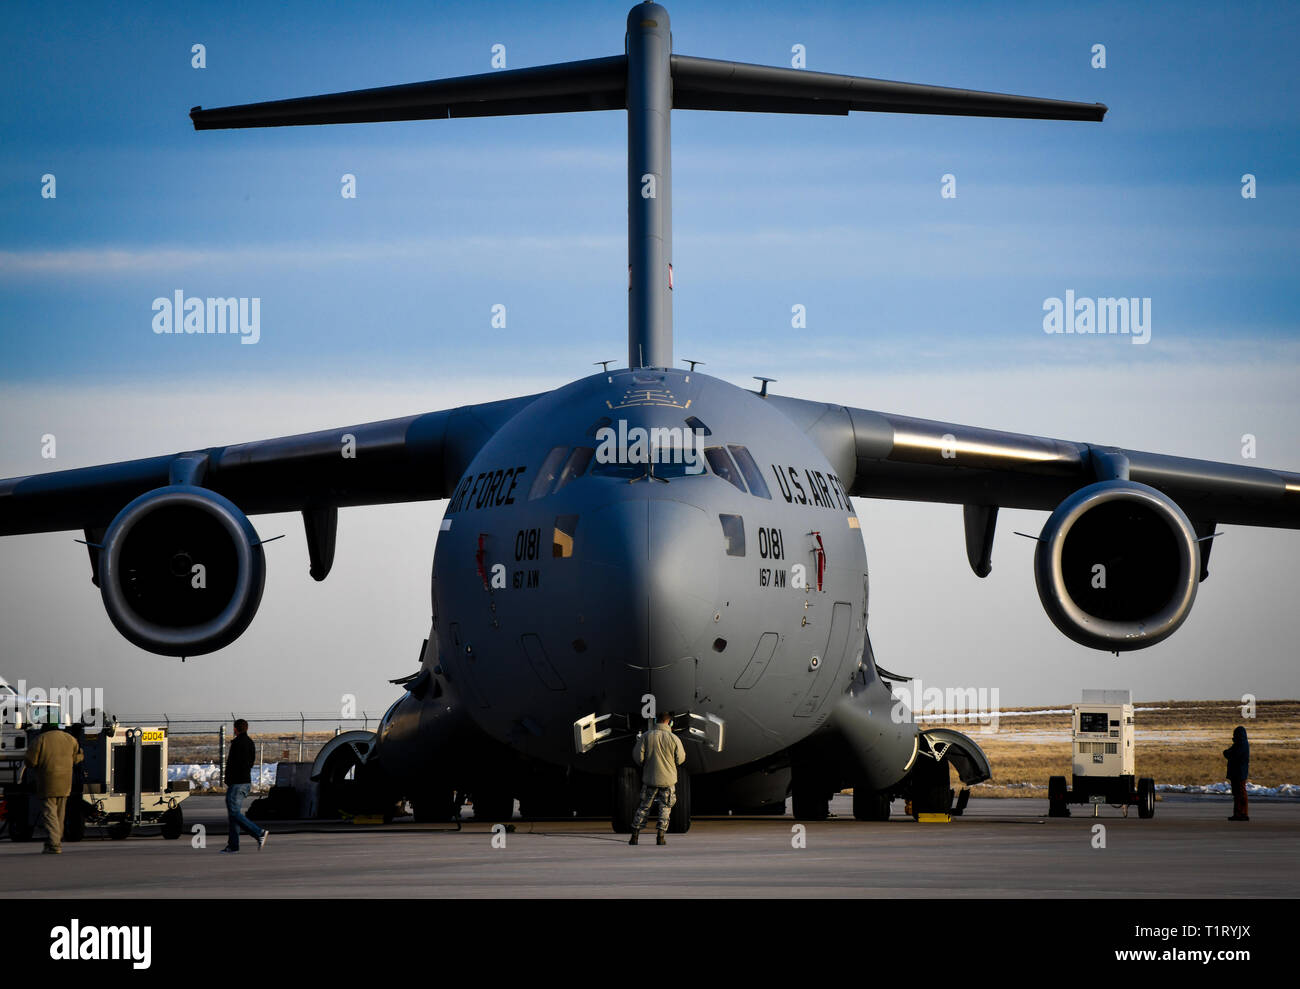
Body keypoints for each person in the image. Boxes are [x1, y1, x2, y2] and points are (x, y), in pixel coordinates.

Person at [23, 723, 84, 854]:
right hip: (66, 782)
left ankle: (54, 844)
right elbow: (77, 758)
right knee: (60, 814)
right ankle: (55, 841)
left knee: (49, 813)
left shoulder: (40, 739)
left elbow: (30, 761)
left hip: (47, 781)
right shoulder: (70, 739)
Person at [629, 711, 686, 846]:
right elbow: (681, 759)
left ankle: (635, 836)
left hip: (650, 778)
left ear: (655, 721)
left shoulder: (645, 737)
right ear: (670, 723)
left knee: (643, 807)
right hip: (668, 780)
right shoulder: (674, 739)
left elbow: (638, 757)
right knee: (665, 808)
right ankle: (660, 837)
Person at [222, 718, 269, 852]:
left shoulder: (237, 743)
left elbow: (233, 764)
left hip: (237, 783)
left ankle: (258, 833)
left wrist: (229, 778)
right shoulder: (250, 743)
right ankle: (233, 845)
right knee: (234, 814)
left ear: (236, 729)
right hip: (245, 781)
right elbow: (250, 762)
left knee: (234, 813)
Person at [1223, 725, 1250, 822]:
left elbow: (1232, 755)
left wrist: (1227, 753)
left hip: (1239, 773)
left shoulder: (1241, 744)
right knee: (1237, 794)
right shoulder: (1240, 744)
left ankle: (1242, 813)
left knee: (1240, 793)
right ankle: (1238, 813)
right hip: (1238, 772)